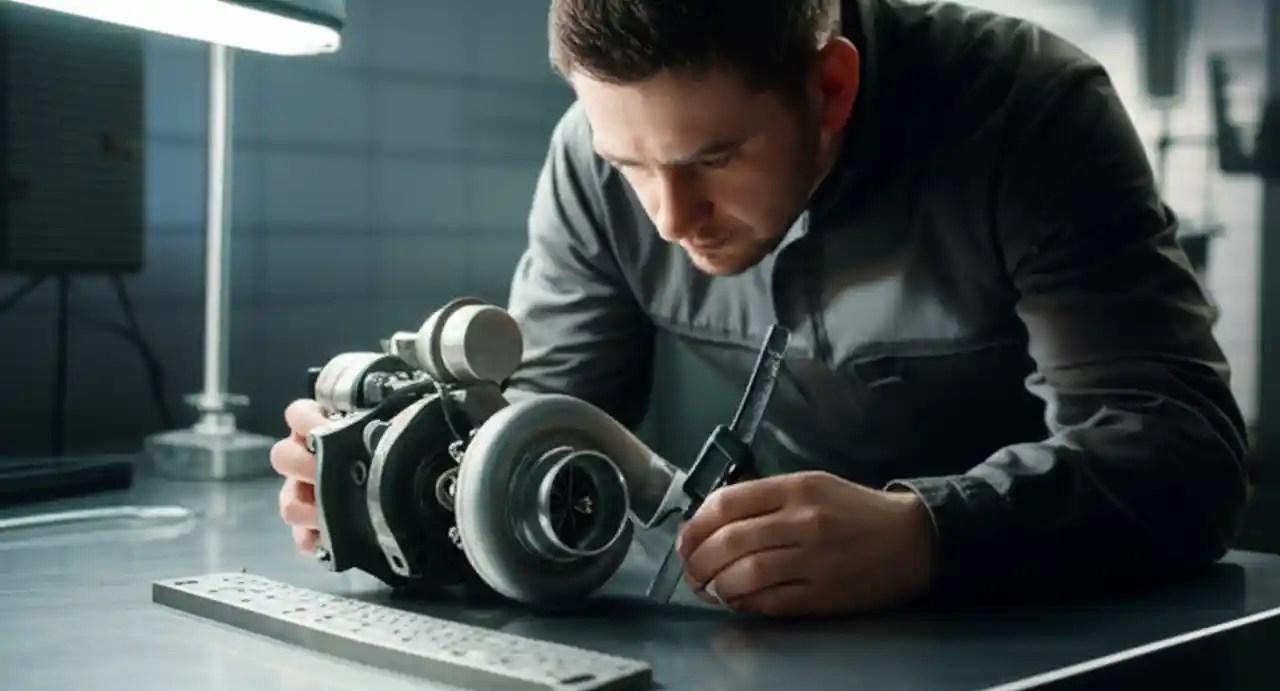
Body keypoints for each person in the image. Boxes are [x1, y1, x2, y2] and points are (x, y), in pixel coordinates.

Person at [271, 0, 1253, 617]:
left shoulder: (1026, 111)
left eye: (711, 159)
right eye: (629, 166)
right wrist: (394, 491)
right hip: (776, 641)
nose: (667, 217)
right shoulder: (586, 155)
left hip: (1050, 628)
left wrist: (927, 536)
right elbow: (531, 427)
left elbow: (1182, 456)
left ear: (828, 87)